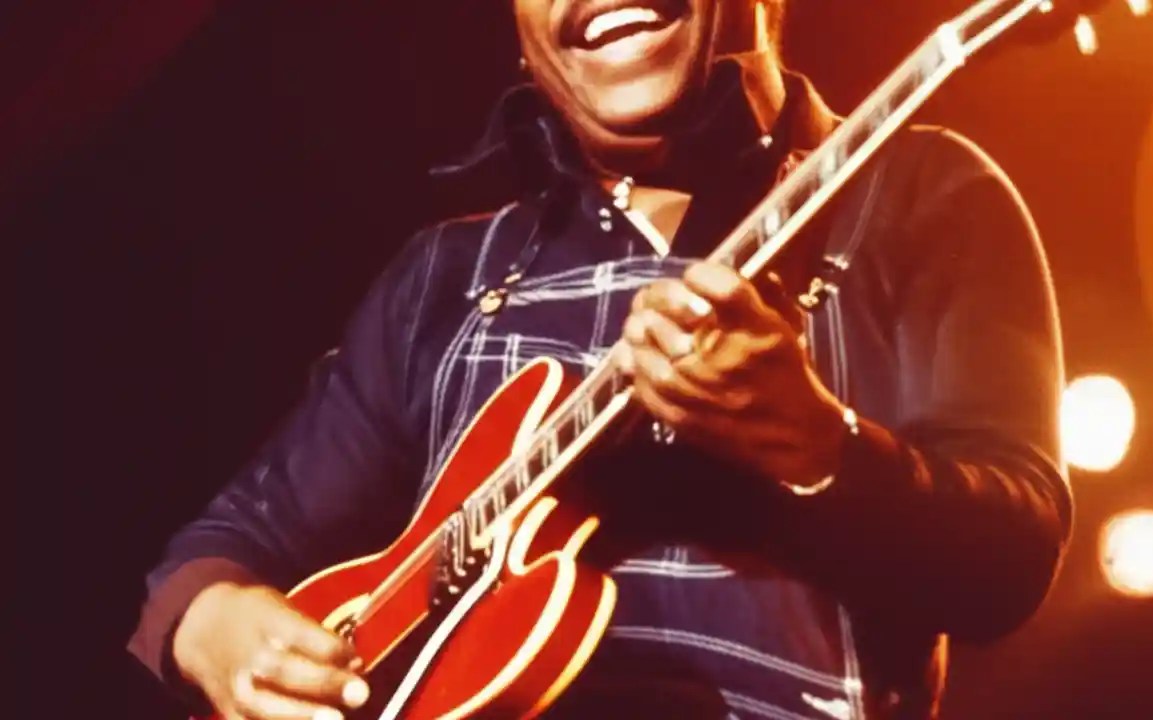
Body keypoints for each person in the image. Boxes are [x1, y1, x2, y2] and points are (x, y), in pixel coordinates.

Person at [128, 1, 1072, 718]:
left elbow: (1010, 563)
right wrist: (208, 625)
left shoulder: (918, 192)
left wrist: (817, 450)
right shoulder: (446, 273)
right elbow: (224, 545)